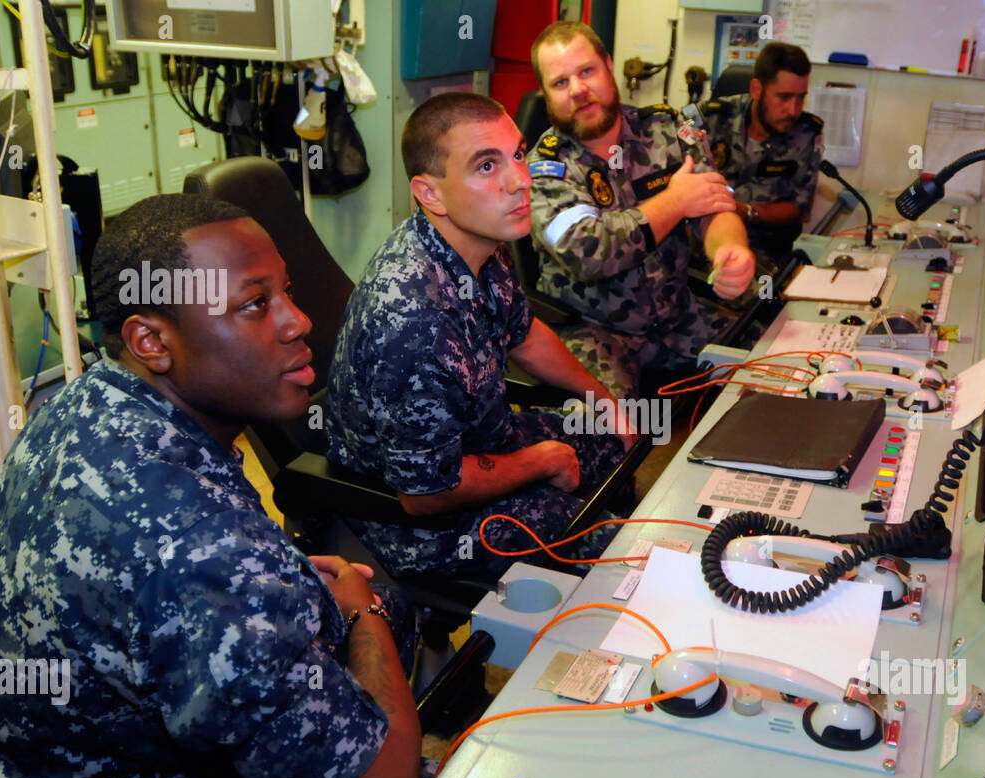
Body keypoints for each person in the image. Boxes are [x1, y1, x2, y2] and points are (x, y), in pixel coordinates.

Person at [0, 194, 421, 778]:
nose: (298, 321)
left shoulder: (85, 402)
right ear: (151, 340)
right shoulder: (197, 544)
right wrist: (360, 612)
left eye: (286, 293)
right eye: (254, 305)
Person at [326, 92, 631, 579]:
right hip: (421, 524)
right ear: (431, 194)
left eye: (516, 154)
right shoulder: (412, 320)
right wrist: (540, 463)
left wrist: (601, 399)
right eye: (487, 167)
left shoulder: (481, 243)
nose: (520, 181)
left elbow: (524, 336)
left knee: (618, 442)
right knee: (610, 544)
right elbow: (425, 494)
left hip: (484, 441)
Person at [527, 21, 756, 400]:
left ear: (608, 65)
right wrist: (675, 200)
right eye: (560, 82)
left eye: (587, 71)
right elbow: (590, 253)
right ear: (544, 93)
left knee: (774, 365)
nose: (580, 90)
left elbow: (715, 203)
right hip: (594, 331)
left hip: (679, 314)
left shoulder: (669, 129)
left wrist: (730, 249)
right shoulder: (543, 169)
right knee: (601, 431)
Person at [701, 42, 824, 268]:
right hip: (705, 239)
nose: (793, 110)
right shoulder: (713, 119)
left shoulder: (806, 132)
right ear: (757, 89)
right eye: (784, 97)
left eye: (800, 98)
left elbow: (799, 209)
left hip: (767, 250)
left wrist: (746, 212)